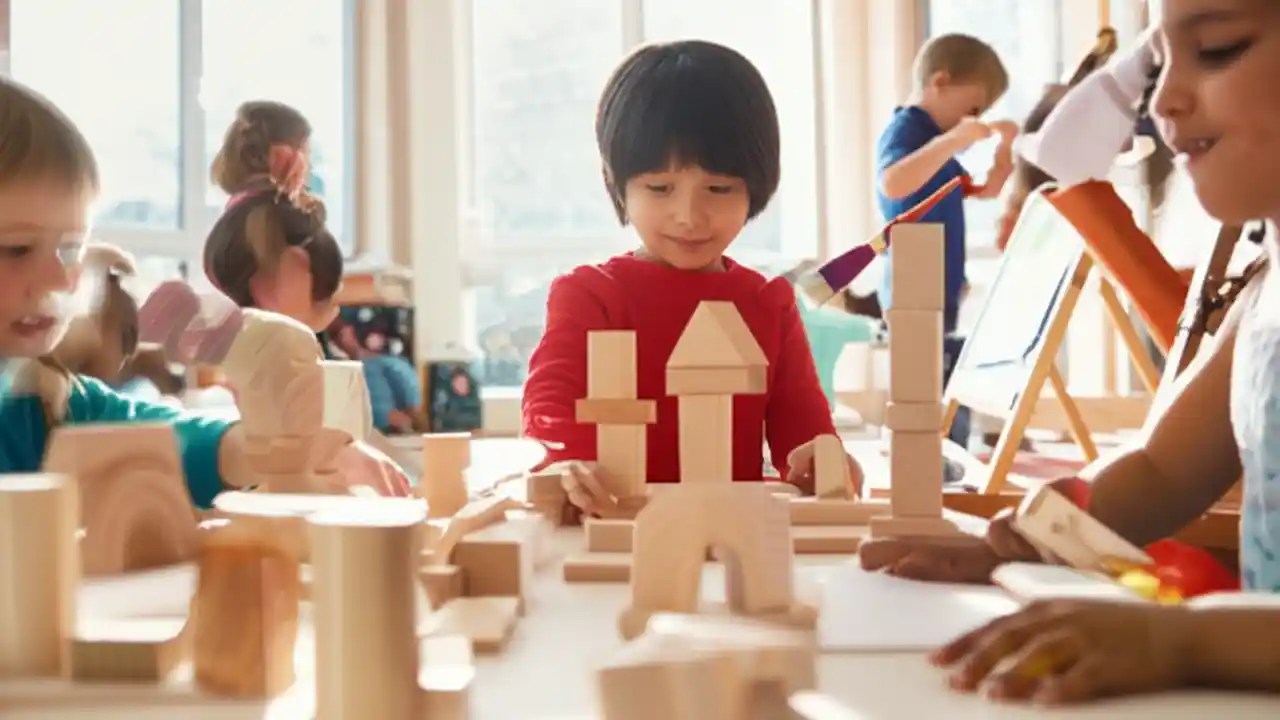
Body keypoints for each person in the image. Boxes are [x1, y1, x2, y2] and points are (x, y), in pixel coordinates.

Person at [860, 1, 1280, 703]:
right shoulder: (1263, 297)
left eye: (1217, 48)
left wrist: (1183, 639)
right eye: (1159, 64)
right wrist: (1014, 546)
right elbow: (1160, 470)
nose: (1164, 102)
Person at [0, 77, 406, 506]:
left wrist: (284, 449)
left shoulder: (46, 400)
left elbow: (163, 441)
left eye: (70, 249)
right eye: (16, 248)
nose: (60, 280)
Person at [522, 40, 863, 514]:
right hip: (617, 527)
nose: (689, 216)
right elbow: (549, 407)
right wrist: (566, 464)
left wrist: (826, 463)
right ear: (618, 185)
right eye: (660, 188)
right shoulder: (590, 295)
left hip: (732, 533)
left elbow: (805, 432)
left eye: (719, 188)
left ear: (756, 186)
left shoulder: (767, 301)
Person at [876, 33, 1018, 452]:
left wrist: (1006, 149)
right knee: (921, 384)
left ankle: (946, 452)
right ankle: (921, 454)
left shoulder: (935, 146)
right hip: (912, 280)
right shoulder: (907, 130)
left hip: (940, 280)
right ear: (939, 82)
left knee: (945, 374)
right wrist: (953, 140)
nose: (971, 120)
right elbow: (893, 182)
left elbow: (987, 190)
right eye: (971, 108)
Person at [205, 101, 341, 333]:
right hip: (293, 343)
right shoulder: (285, 229)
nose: (309, 167)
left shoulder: (230, 225)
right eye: (306, 153)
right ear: (287, 157)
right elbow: (291, 317)